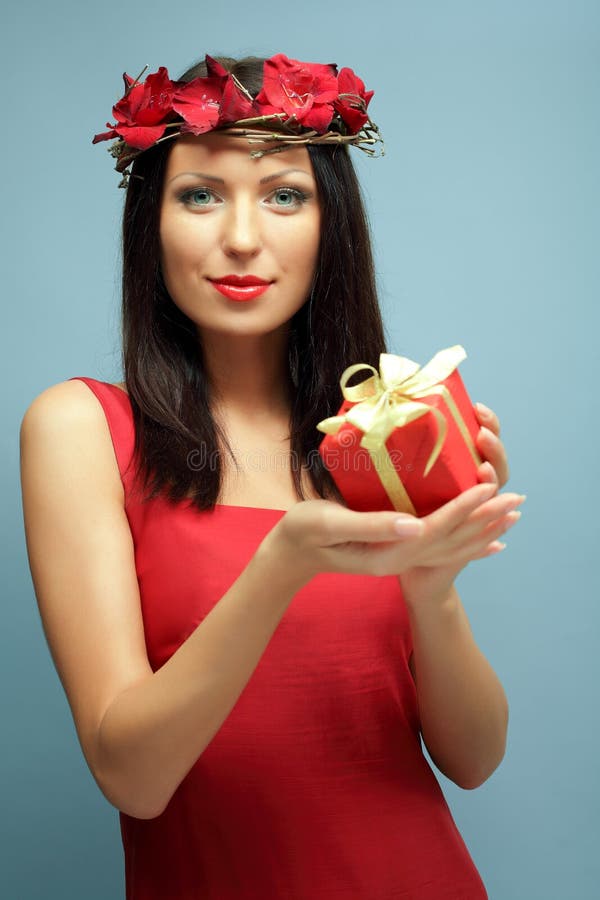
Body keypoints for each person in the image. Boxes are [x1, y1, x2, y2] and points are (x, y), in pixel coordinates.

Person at [20, 53, 524, 899]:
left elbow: (474, 760)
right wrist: (282, 563)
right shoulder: (82, 428)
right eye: (200, 195)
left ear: (333, 225)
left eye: (285, 194)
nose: (243, 237)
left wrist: (434, 584)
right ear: (152, 222)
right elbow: (133, 779)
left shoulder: (374, 437)